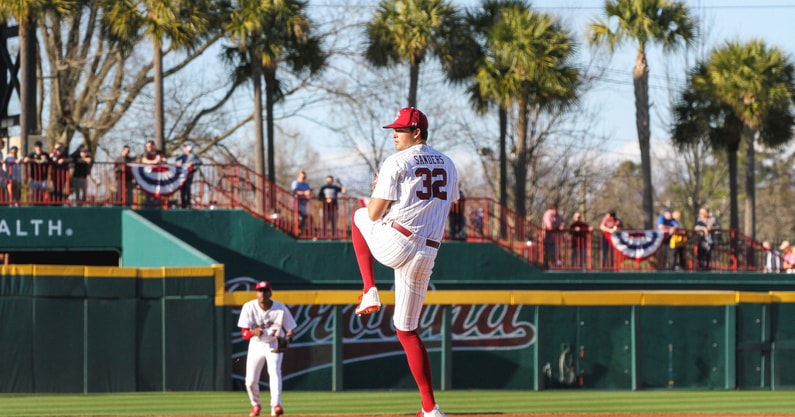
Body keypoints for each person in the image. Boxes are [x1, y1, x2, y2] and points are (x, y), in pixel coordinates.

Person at [351, 107, 457, 417]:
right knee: (407, 331)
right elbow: (442, 202)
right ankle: (430, 409)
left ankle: (369, 288)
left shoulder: (397, 161)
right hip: (427, 253)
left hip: (398, 241)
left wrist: (377, 190)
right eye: (394, 129)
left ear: (418, 132)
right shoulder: (449, 164)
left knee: (358, 217)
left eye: (400, 129)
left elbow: (373, 214)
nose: (394, 134)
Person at [238, 281, 297, 417]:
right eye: (260, 291)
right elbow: (244, 334)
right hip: (256, 344)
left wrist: (287, 339)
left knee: (275, 371)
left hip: (273, 344)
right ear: (256, 293)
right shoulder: (249, 307)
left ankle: (276, 405)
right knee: (250, 381)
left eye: (265, 291)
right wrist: (253, 332)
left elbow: (290, 330)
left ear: (270, 292)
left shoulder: (280, 308)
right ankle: (256, 404)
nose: (262, 293)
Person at [175, 142, 202, 208]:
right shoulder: (182, 155)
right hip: (182, 174)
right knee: (182, 188)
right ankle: (183, 203)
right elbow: (176, 160)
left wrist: (192, 163)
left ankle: (188, 203)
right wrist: (178, 163)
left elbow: (200, 161)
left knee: (188, 187)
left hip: (189, 173)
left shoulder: (193, 155)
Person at [140, 140, 165, 207]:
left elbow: (164, 159)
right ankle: (148, 204)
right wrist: (154, 162)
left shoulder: (159, 153)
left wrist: (162, 160)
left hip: (157, 176)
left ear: (154, 146)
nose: (148, 148)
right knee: (148, 189)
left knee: (157, 189)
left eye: (150, 146)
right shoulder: (145, 153)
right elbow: (144, 160)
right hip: (148, 175)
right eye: (147, 147)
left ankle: (156, 204)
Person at [542, 203, 566, 268]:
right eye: (556, 209)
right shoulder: (548, 214)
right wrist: (558, 227)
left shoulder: (558, 216)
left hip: (556, 240)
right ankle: (549, 266)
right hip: (548, 239)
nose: (557, 210)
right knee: (550, 254)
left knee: (556, 254)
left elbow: (562, 222)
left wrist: (562, 225)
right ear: (553, 209)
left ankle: (556, 266)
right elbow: (549, 227)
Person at [290, 171, 312, 236]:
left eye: (304, 177)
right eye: (301, 176)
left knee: (308, 217)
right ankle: (297, 230)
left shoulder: (306, 185)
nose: (303, 178)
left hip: (304, 204)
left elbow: (309, 192)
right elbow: (295, 191)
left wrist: (309, 194)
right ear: (299, 176)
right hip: (297, 203)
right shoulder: (295, 183)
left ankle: (303, 230)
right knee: (299, 217)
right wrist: (304, 193)